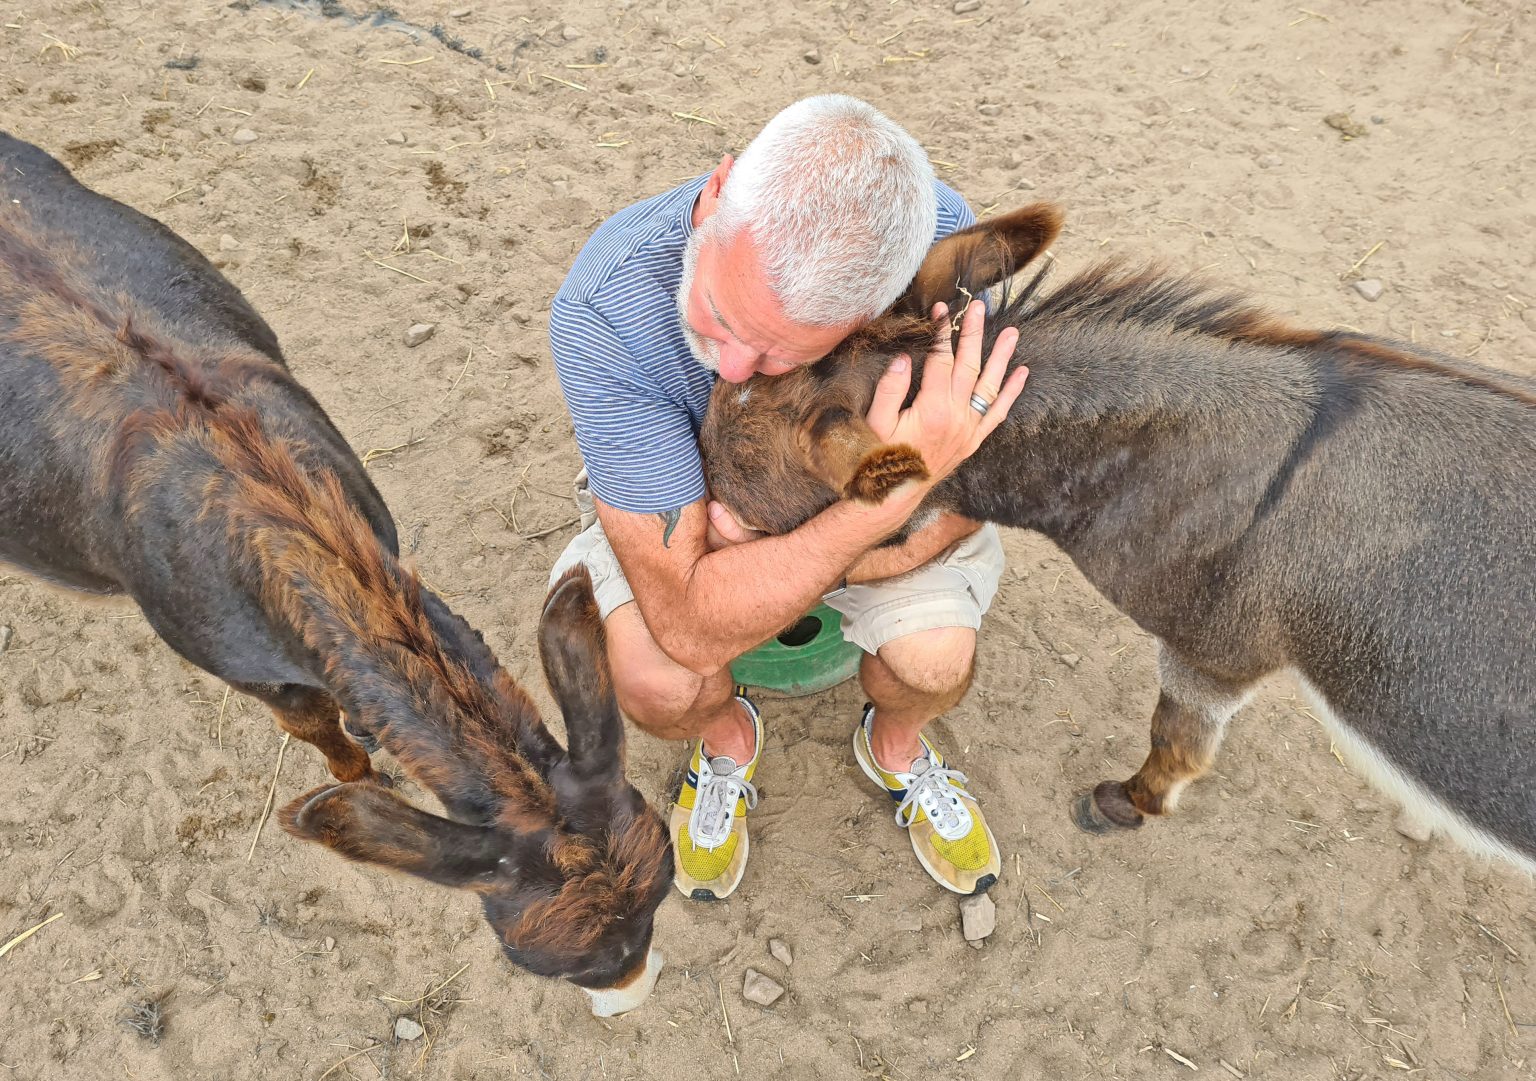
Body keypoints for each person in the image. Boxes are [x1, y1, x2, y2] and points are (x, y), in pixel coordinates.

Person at [547, 94, 1025, 901]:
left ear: (874, 310)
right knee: (660, 681)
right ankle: (728, 736)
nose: (731, 369)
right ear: (721, 187)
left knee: (938, 660)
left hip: (865, 482)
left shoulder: (934, 246)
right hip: (745, 507)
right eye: (721, 316)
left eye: (780, 353)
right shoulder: (604, 310)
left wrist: (859, 509)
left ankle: (897, 743)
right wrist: (883, 508)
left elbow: (993, 472)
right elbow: (691, 624)